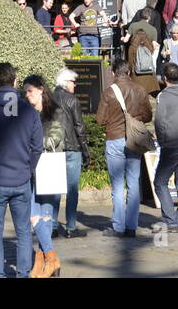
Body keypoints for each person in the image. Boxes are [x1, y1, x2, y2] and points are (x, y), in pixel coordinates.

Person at [0, 63, 41, 278]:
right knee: (23, 232)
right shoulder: (29, 111)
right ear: (14, 81)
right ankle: (22, 273)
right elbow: (37, 146)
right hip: (21, 179)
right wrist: (28, 169)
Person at [96, 60, 153, 237]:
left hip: (115, 138)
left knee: (118, 184)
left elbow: (100, 120)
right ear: (128, 72)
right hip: (134, 140)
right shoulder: (140, 90)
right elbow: (148, 116)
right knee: (134, 183)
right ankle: (131, 227)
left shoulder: (108, 92)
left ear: (113, 73)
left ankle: (118, 226)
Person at [21, 74, 64, 277]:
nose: (27, 95)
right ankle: (49, 259)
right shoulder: (26, 112)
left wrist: (33, 143)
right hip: (30, 169)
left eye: (29, 91)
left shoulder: (54, 111)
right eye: (25, 92)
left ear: (40, 89)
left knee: (44, 217)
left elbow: (56, 136)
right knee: (34, 216)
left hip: (47, 168)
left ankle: (43, 262)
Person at [152, 63, 178, 234]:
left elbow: (160, 121)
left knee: (160, 182)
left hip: (172, 143)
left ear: (164, 78)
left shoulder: (164, 96)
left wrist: (162, 140)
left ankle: (170, 220)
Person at [49, 68, 89, 239]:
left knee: (55, 191)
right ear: (65, 82)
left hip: (54, 148)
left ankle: (52, 226)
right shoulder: (72, 100)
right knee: (72, 189)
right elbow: (79, 127)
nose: (75, 85)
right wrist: (86, 151)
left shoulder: (49, 98)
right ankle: (71, 227)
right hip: (72, 148)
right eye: (73, 82)